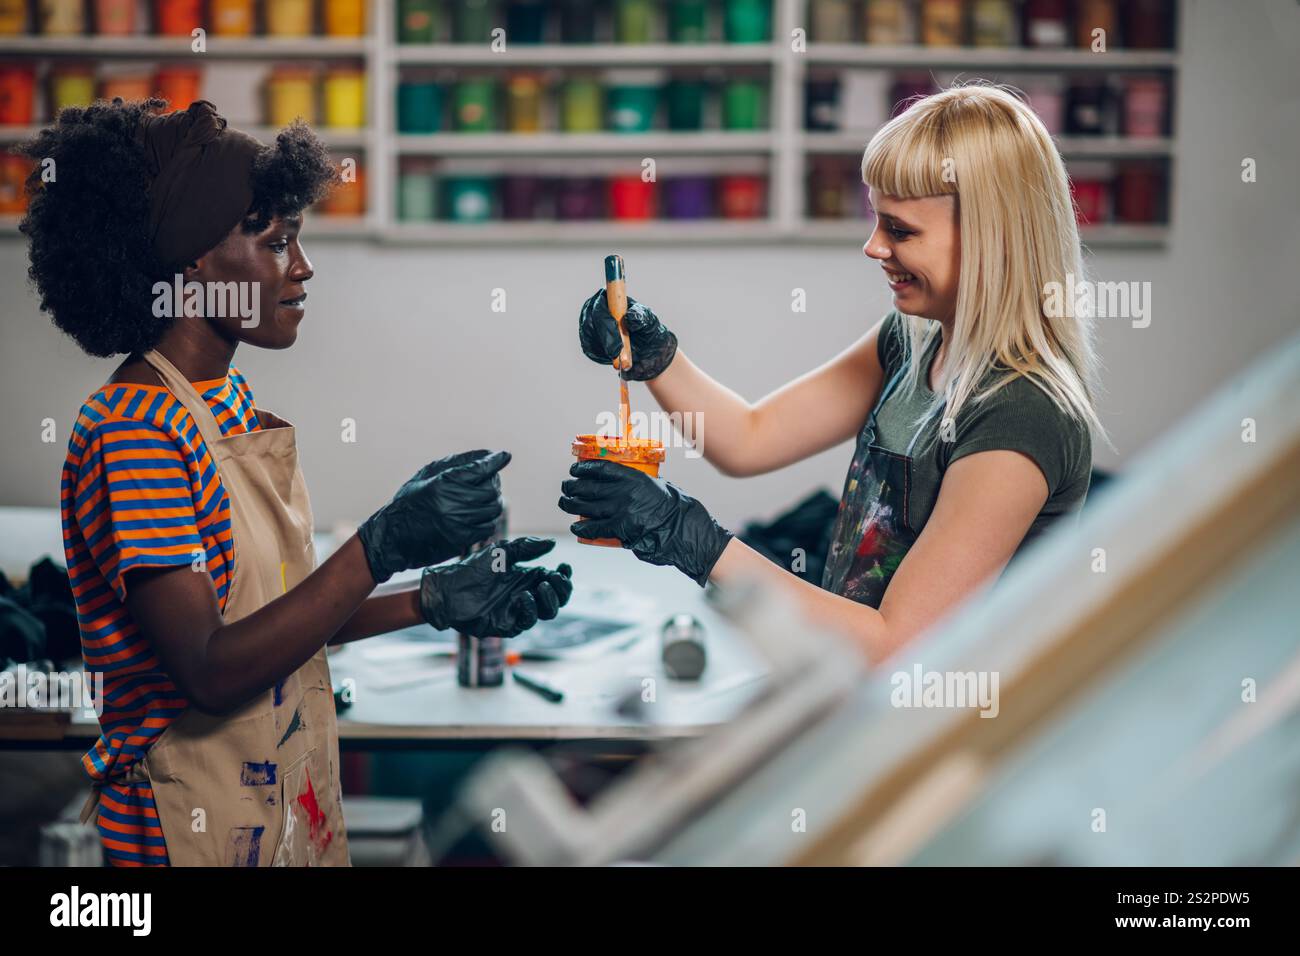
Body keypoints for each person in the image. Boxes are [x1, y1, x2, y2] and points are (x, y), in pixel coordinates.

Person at [19, 98, 572, 866]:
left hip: (274, 808)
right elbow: (212, 669)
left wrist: (435, 598)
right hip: (184, 828)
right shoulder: (133, 432)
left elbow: (272, 627)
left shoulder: (224, 403)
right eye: (278, 243)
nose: (303, 268)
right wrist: (379, 546)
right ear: (194, 265)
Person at [559, 84, 1100, 664]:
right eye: (877, 222)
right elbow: (750, 438)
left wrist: (686, 536)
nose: (873, 247)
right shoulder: (911, 343)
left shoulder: (1021, 414)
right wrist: (659, 357)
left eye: (900, 230)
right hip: (852, 697)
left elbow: (899, 643)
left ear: (992, 238)